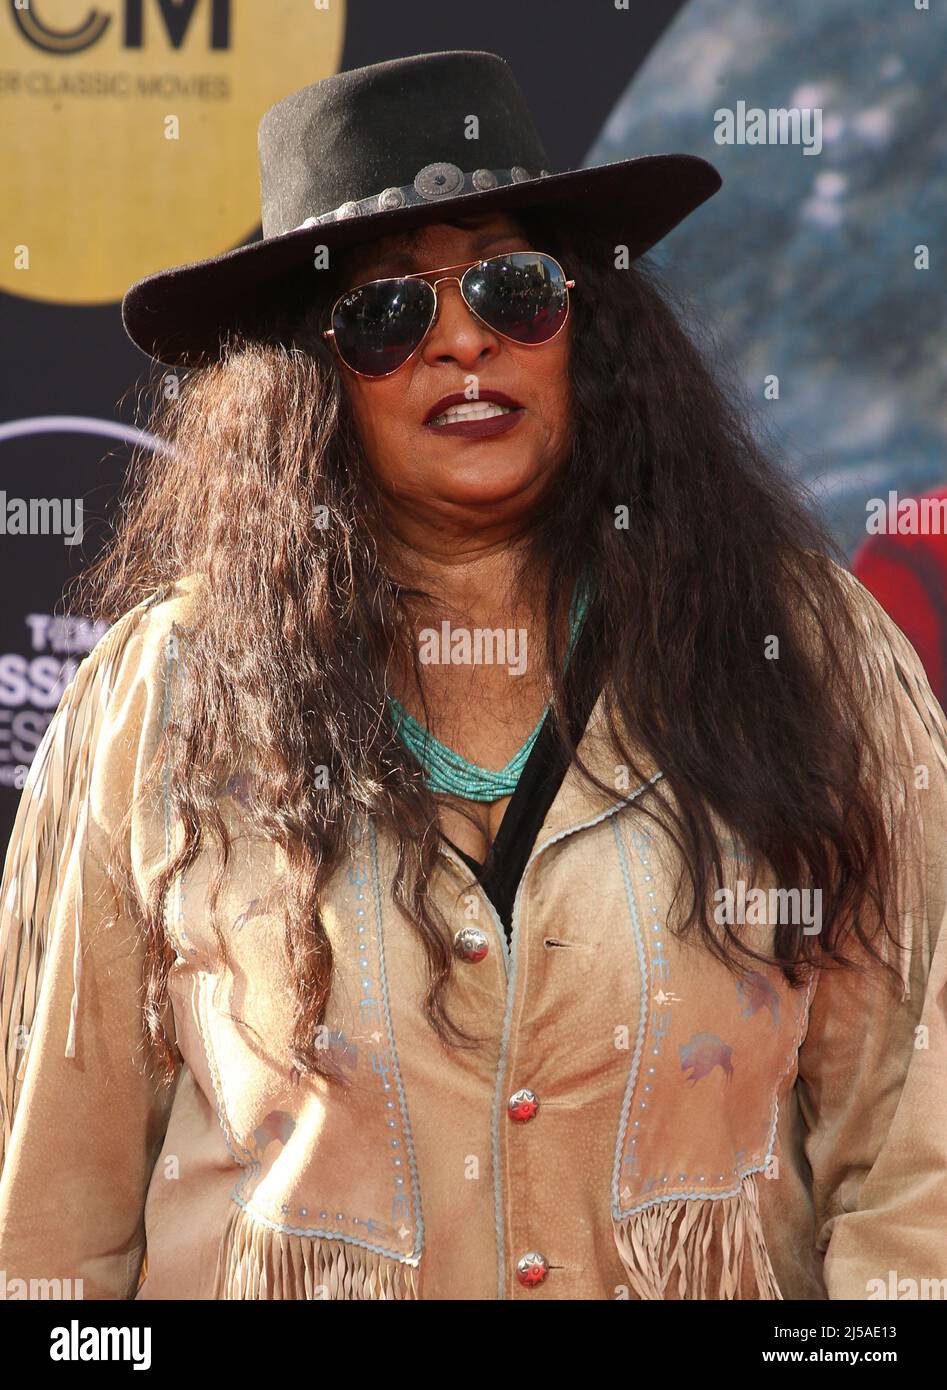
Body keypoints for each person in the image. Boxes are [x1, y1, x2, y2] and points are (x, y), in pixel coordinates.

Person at [1, 49, 946, 1302]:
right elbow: (53, 1228)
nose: (460, 343)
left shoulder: (794, 650)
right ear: (304, 380)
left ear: (585, 328)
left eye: (511, 288)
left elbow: (912, 1148)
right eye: (385, 314)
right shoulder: (165, 695)